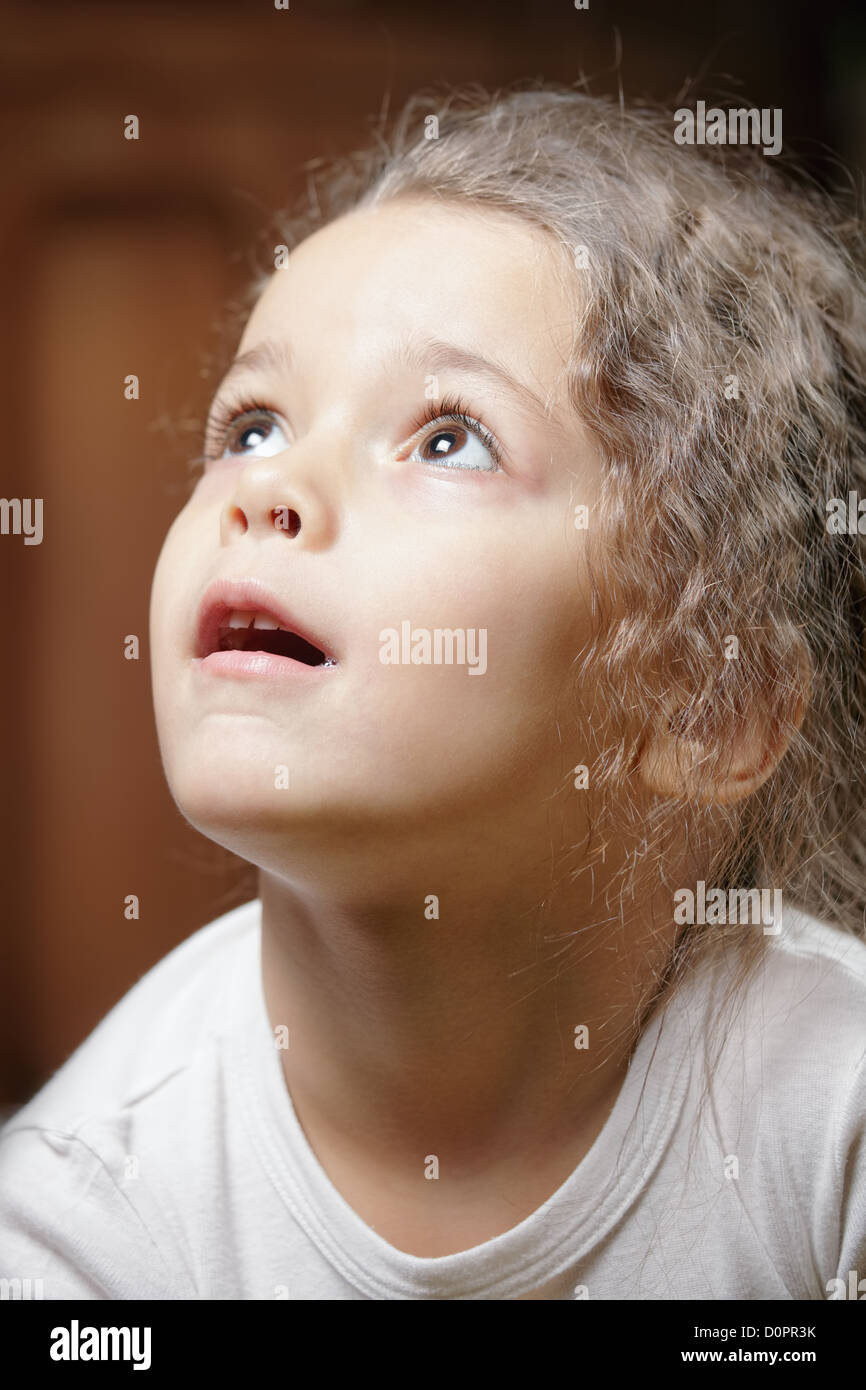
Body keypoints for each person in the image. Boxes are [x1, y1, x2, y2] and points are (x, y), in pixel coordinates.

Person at [2, 81, 865, 1300]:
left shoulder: (830, 1122)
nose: (268, 487)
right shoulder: (80, 1224)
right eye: (250, 425)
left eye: (447, 437)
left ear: (700, 699)